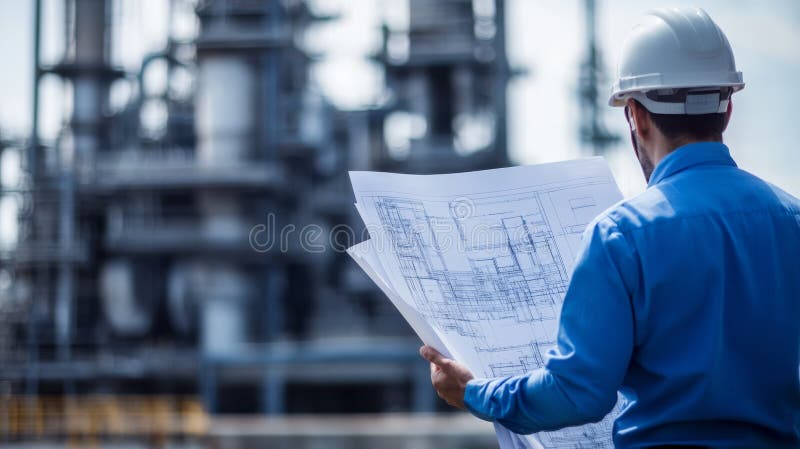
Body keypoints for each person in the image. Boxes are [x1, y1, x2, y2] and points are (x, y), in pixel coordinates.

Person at [420, 7, 800, 448]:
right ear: (727, 108)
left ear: (635, 115)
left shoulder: (621, 235)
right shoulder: (790, 219)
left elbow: (576, 393)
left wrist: (474, 393)